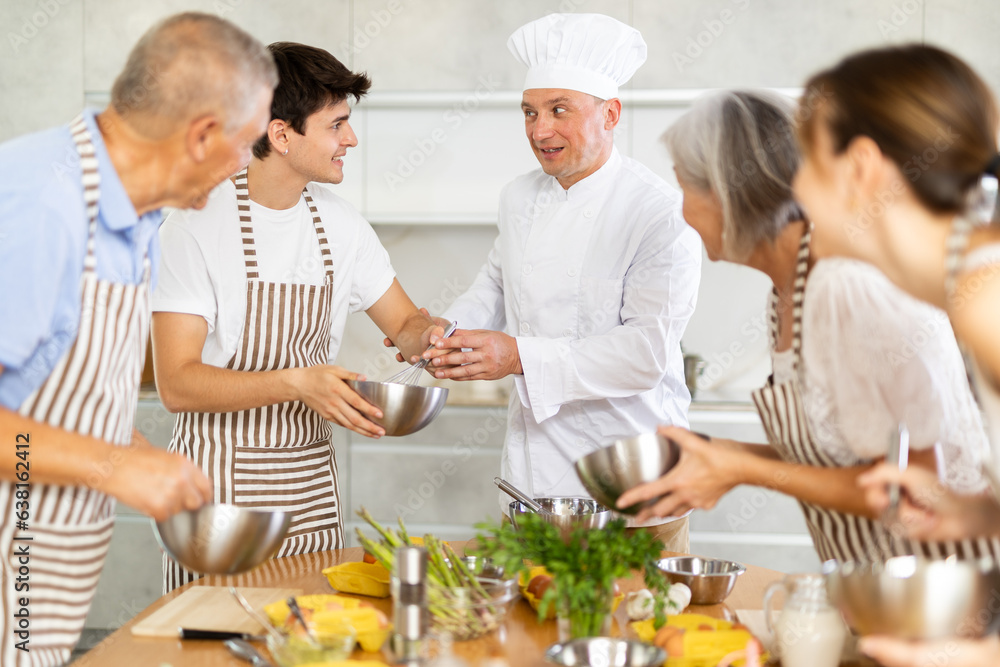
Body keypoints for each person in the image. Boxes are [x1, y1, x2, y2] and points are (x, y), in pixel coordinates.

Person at [615, 89, 1000, 567]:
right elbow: (843, 456)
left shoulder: (846, 285)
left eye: (686, 192)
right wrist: (723, 453)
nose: (682, 212)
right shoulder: (786, 292)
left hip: (951, 581)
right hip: (875, 580)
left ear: (728, 193)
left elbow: (914, 488)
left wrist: (741, 469)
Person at [0, 12, 275, 664]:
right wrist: (117, 467)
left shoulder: (137, 217)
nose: (245, 166)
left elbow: (37, 387)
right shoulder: (41, 207)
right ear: (202, 135)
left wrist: (130, 448)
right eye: (247, 144)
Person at [152, 42, 441, 592]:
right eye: (336, 125)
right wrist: (295, 382)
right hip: (220, 495)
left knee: (315, 629)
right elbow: (177, 384)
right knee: (220, 633)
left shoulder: (342, 225)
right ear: (282, 135)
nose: (350, 139)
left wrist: (432, 336)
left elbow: (404, 324)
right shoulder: (194, 225)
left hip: (310, 491)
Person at [420, 13, 702, 550]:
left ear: (610, 114)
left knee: (639, 610)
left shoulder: (658, 212)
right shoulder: (518, 197)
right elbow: (495, 286)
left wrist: (516, 356)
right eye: (529, 112)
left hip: (632, 492)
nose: (539, 131)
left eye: (558, 110)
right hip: (534, 489)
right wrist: (445, 332)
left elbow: (644, 353)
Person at [789, 44, 1000, 667]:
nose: (795, 188)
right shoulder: (972, 282)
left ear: (860, 169)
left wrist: (980, 659)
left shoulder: (985, 300)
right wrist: (975, 514)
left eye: (806, 161)